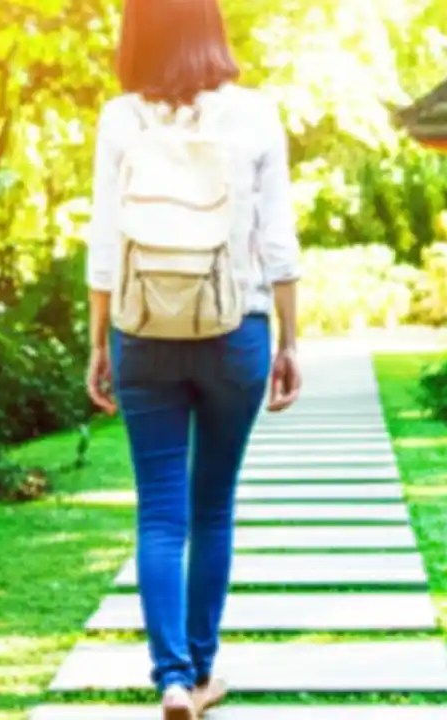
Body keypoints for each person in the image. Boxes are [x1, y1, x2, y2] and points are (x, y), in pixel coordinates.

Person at [83, 0, 302, 718]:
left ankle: (172, 679)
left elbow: (105, 242)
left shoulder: (121, 119)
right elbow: (277, 241)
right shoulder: (256, 115)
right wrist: (290, 340)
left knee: (160, 513)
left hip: (143, 331)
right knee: (212, 507)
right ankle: (202, 672)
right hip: (236, 329)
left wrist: (97, 341)